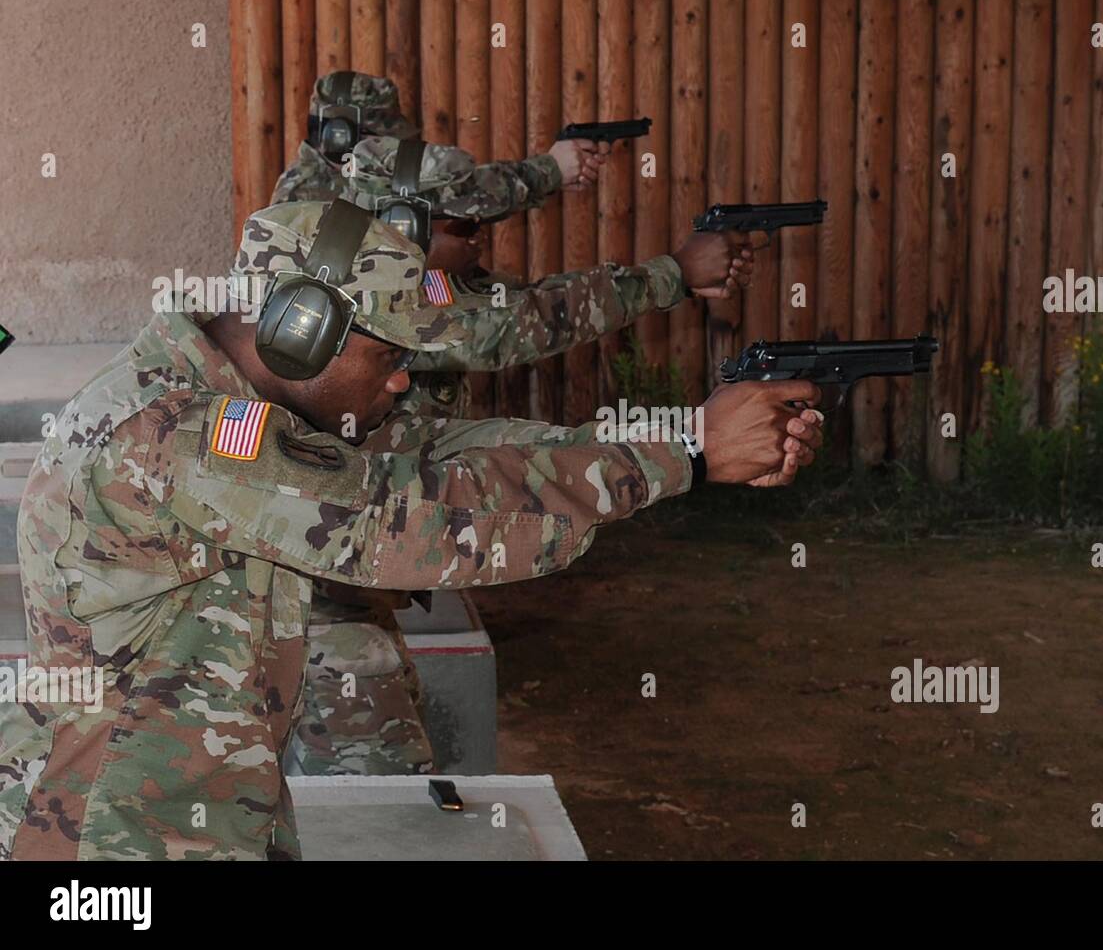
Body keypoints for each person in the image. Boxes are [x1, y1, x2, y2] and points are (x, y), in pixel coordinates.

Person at [0, 200, 823, 860]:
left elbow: (440, 450)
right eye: (391, 354)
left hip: (193, 806)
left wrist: (681, 434)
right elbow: (406, 514)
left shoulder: (234, 398)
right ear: (300, 330)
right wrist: (684, 454)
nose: (401, 379)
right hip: (111, 834)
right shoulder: (187, 436)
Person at [284, 136, 758, 776]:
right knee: (378, 783)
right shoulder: (369, 303)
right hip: (308, 608)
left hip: (340, 586)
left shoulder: (363, 296)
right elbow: (519, 324)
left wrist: (688, 443)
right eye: (465, 224)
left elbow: (482, 449)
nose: (481, 237)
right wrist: (670, 276)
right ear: (402, 226)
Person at [271, 69, 606, 206]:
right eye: (379, 140)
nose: (389, 151)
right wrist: (551, 168)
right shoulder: (312, 193)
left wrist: (551, 173)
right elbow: (458, 196)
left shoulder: (327, 176)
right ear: (341, 137)